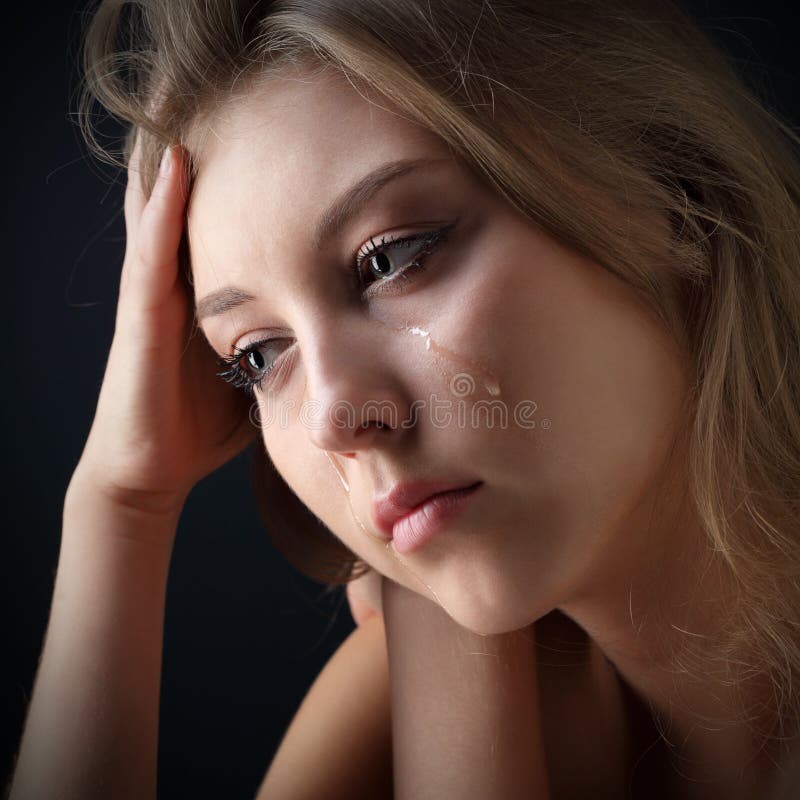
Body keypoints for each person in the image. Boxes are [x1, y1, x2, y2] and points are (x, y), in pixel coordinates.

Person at [9, 0, 800, 797]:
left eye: (390, 259)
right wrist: (121, 501)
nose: (333, 420)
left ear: (662, 185)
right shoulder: (404, 696)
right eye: (259, 355)